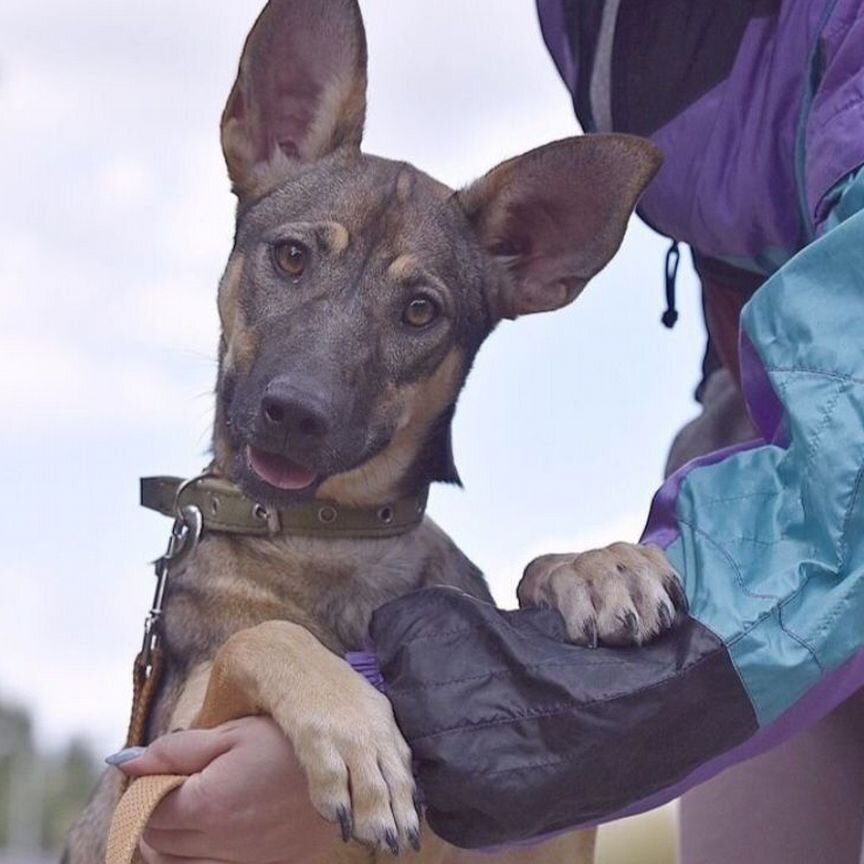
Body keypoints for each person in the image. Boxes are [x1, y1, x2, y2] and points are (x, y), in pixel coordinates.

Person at [111, 1, 864, 861]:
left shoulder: (460, 605)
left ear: (531, 265)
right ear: (261, 133)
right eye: (292, 259)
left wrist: (564, 617)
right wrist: (271, 660)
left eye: (416, 311)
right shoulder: (219, 600)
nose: (307, 389)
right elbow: (172, 804)